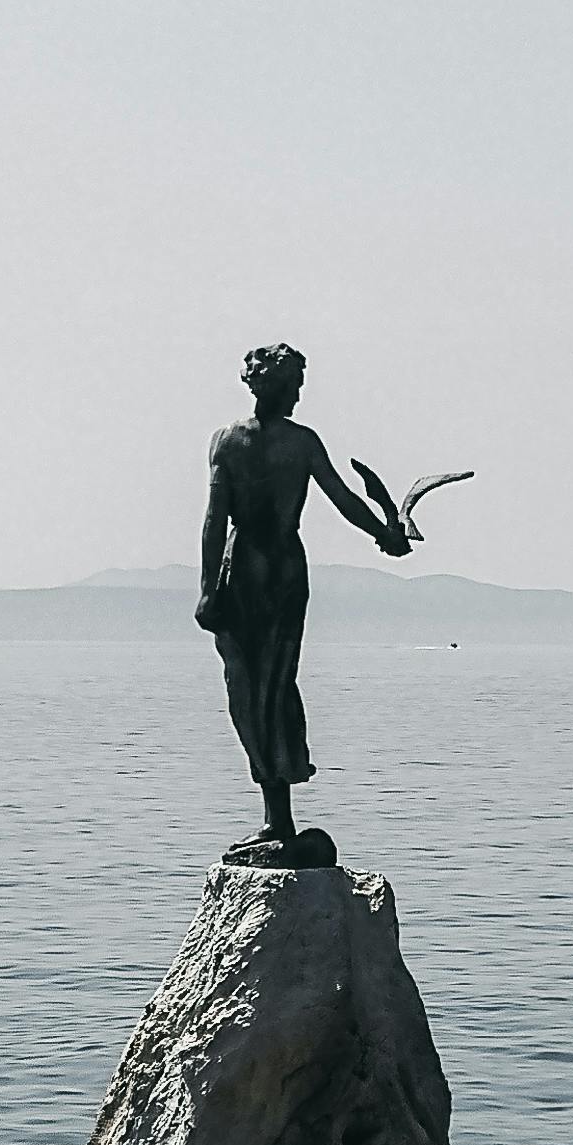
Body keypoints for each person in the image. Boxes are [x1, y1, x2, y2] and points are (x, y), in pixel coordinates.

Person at [198, 343, 409, 863]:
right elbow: (214, 516)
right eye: (291, 383)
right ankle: (276, 816)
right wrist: (207, 589)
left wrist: (382, 532)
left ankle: (280, 818)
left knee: (271, 686)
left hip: (269, 571)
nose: (297, 393)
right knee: (246, 688)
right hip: (249, 570)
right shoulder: (231, 441)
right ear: (267, 385)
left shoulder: (296, 442)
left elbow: (342, 498)